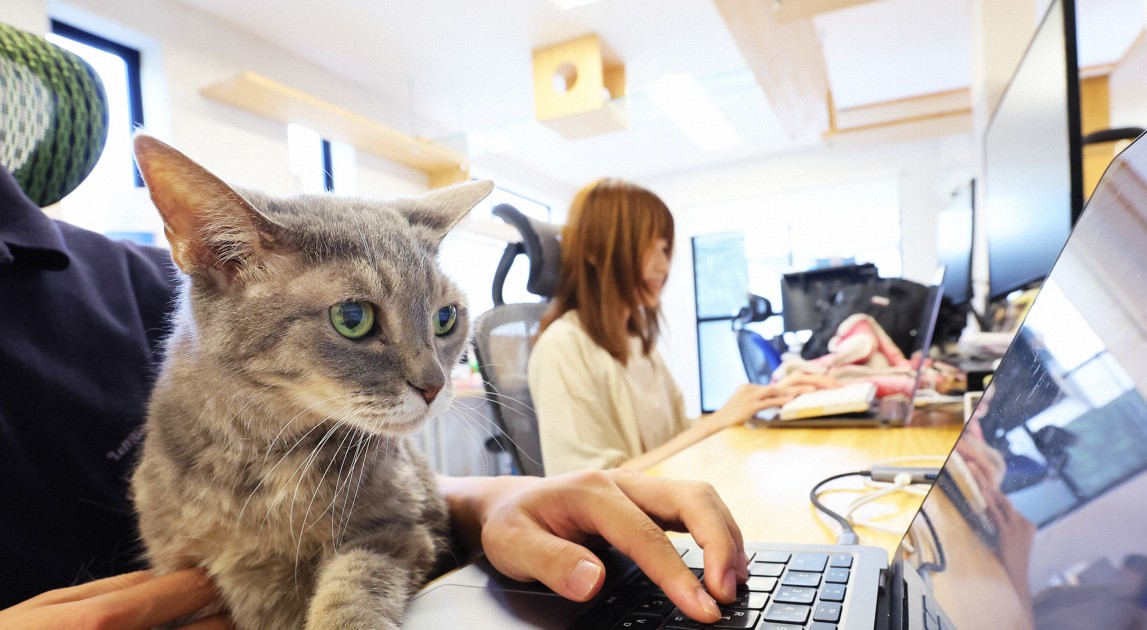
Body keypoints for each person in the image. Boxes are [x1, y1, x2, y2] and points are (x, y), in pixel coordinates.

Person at [0, 164, 749, 628]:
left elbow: (398, 510)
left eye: (445, 321)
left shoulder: (111, 281)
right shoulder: (198, 334)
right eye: (356, 319)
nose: (430, 380)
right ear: (223, 265)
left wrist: (489, 499)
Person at [529, 178, 839, 475]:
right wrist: (716, 421)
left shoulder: (637, 344)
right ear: (595, 251)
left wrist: (757, 404)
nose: (662, 265)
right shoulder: (562, 347)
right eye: (646, 248)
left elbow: (676, 437)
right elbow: (591, 488)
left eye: (664, 249)